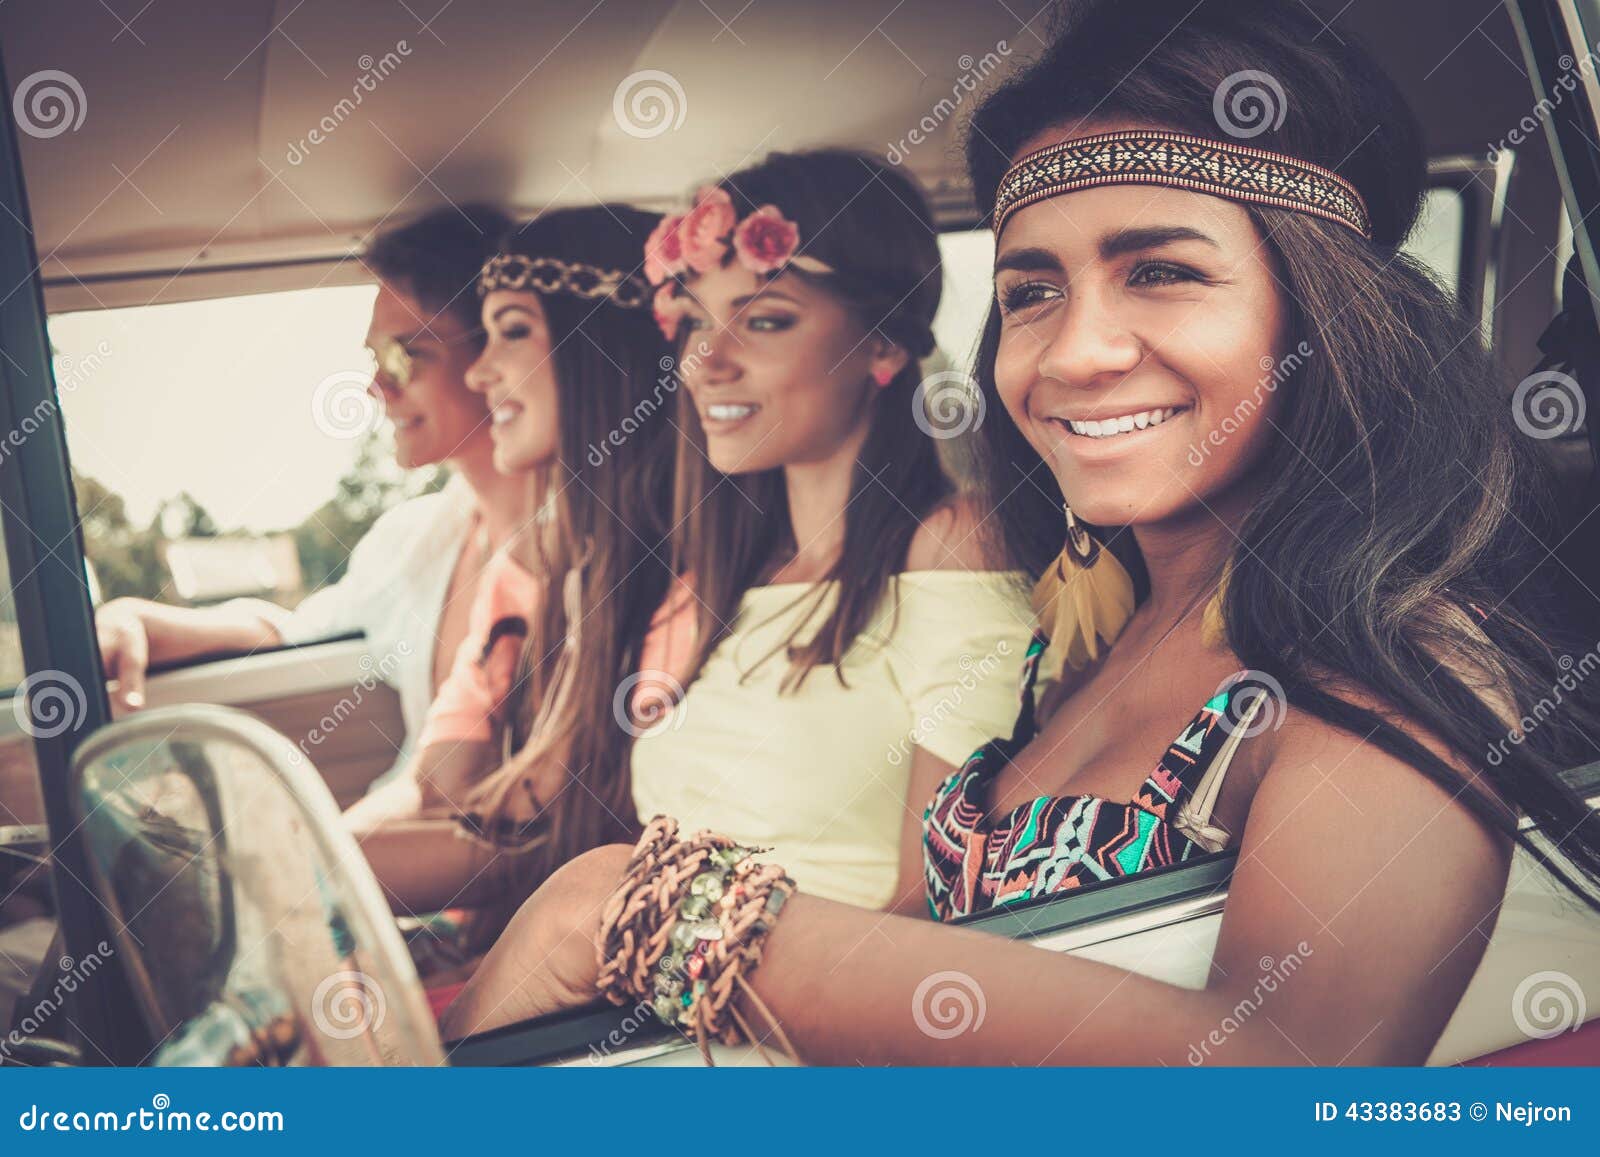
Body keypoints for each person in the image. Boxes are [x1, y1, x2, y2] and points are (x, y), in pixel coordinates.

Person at [441, 0, 1600, 1066]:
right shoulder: (1079, 642)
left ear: (1320, 317)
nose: (1072, 352)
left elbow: (1289, 1079)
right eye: (1031, 292)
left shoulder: (1398, 651)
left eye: (1160, 271)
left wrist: (650, 910)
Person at [362, 151, 1036, 939]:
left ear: (884, 344)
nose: (705, 362)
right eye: (693, 323)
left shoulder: (949, 544)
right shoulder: (732, 575)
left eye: (765, 319)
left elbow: (933, 911)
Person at [94, 205, 532, 787]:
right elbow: (295, 634)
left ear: (495, 353)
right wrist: (140, 619)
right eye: (373, 360)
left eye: (406, 354)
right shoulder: (412, 539)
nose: (376, 386)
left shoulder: (583, 542)